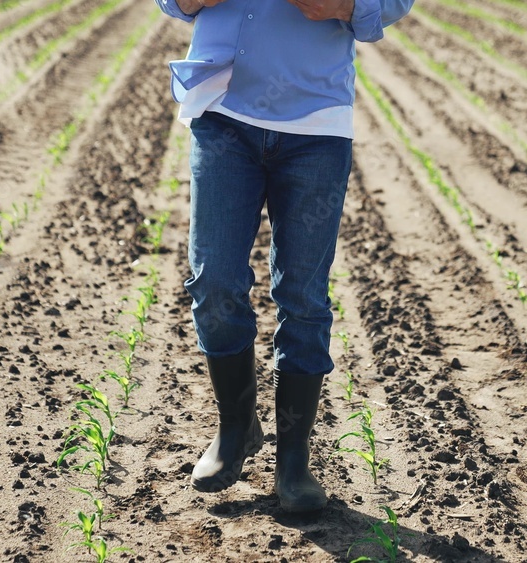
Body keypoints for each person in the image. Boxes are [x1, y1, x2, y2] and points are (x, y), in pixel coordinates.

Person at [154, 0, 414, 513]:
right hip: (223, 111)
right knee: (215, 282)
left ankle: (294, 460)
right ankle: (236, 430)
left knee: (303, 294)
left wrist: (348, 4)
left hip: (316, 123)